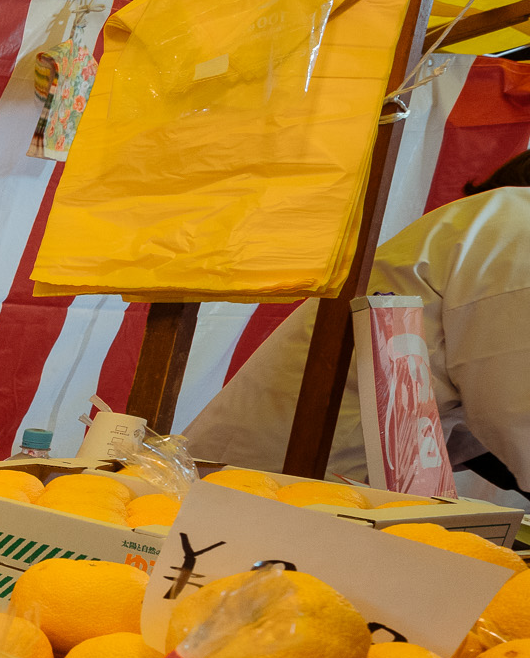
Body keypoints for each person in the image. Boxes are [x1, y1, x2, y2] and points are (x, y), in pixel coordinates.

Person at [185, 153, 530, 491]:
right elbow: (514, 408)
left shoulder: (493, 222)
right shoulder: (518, 223)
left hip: (312, 469)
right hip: (291, 474)